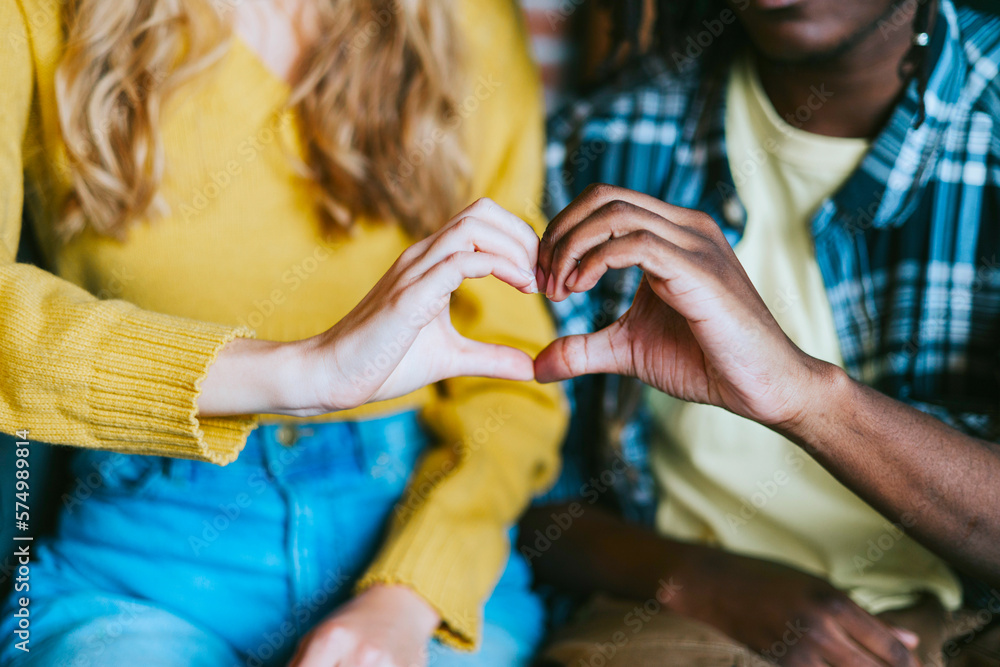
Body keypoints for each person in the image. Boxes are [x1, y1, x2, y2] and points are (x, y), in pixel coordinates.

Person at [0, 0, 567, 665]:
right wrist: (302, 371)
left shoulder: (470, 21)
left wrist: (411, 593)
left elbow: (513, 382)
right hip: (146, 555)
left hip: (411, 522)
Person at [523, 0, 1000, 664]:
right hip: (679, 618)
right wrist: (704, 582)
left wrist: (809, 399)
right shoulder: (606, 137)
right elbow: (530, 506)